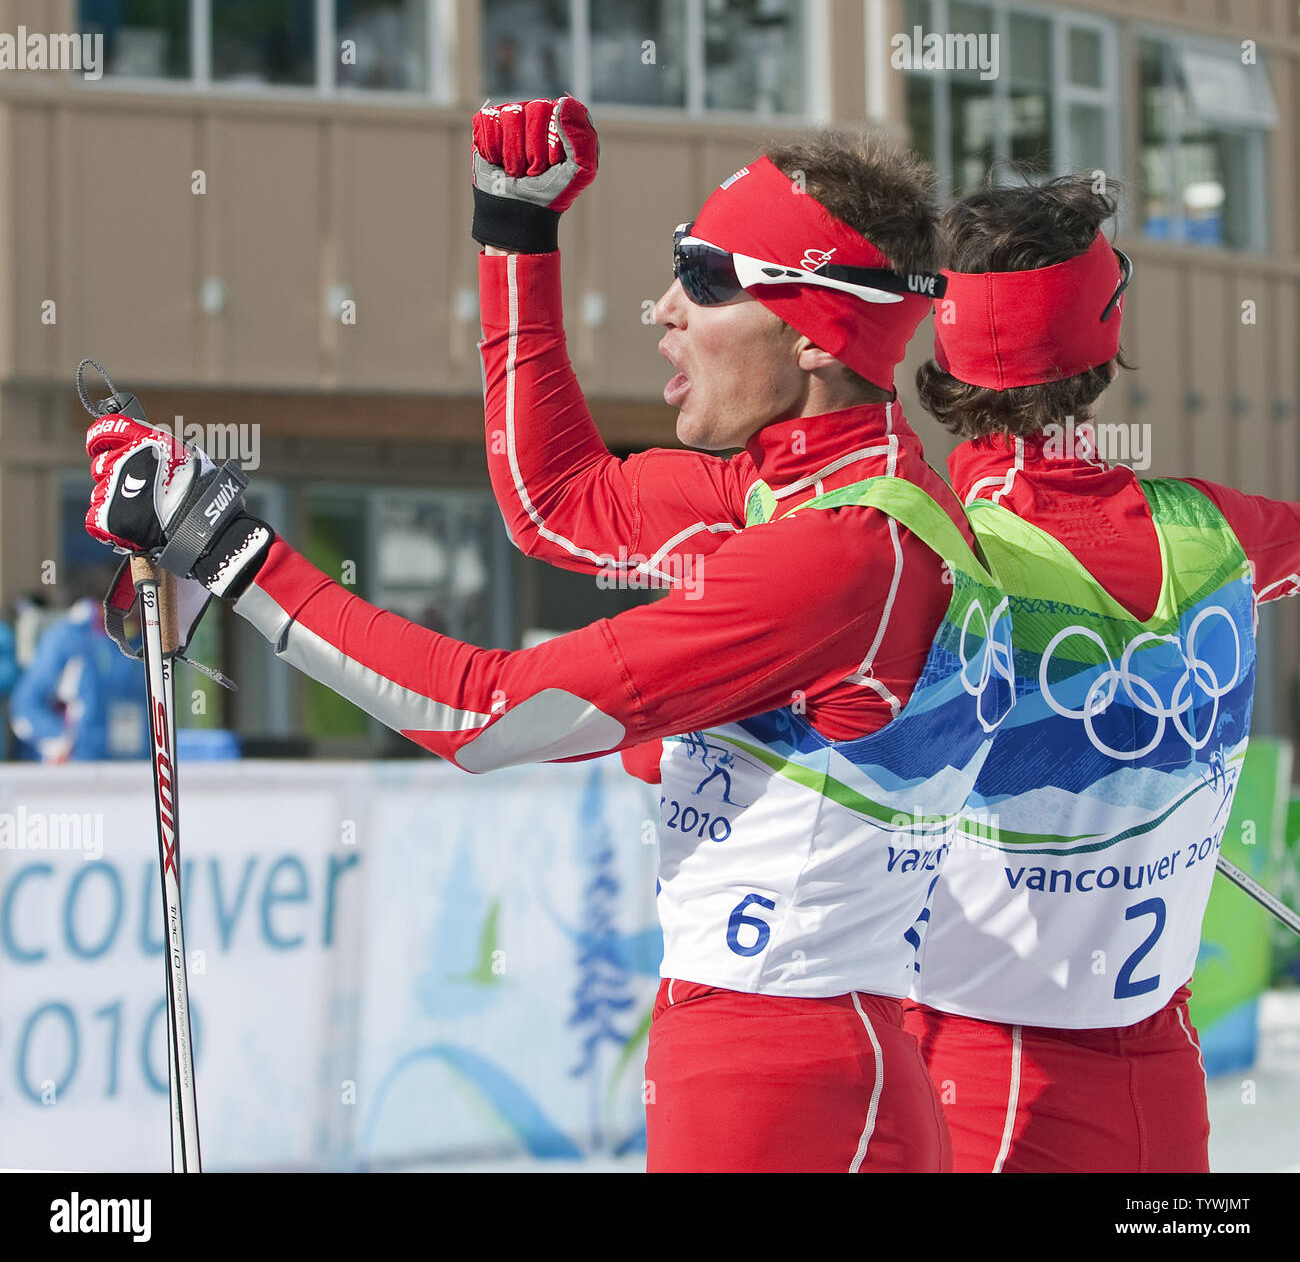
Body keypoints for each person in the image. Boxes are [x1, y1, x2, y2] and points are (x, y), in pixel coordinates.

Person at [84, 97, 1008, 1172]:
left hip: (792, 1072)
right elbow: (553, 500)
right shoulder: (788, 497)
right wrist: (515, 233)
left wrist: (227, 547)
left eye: (707, 279)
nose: (663, 307)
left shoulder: (843, 552)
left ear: (813, 331)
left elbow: (480, 716)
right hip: (770, 1053)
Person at [904, 175, 1300, 1173]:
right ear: (1101, 352)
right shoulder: (1220, 528)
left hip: (982, 1077)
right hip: (1160, 1082)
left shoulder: (926, 554)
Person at [9, 592, 147, 763]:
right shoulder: (68, 637)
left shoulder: (144, 640)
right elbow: (25, 705)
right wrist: (60, 741)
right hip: (80, 766)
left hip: (137, 766)